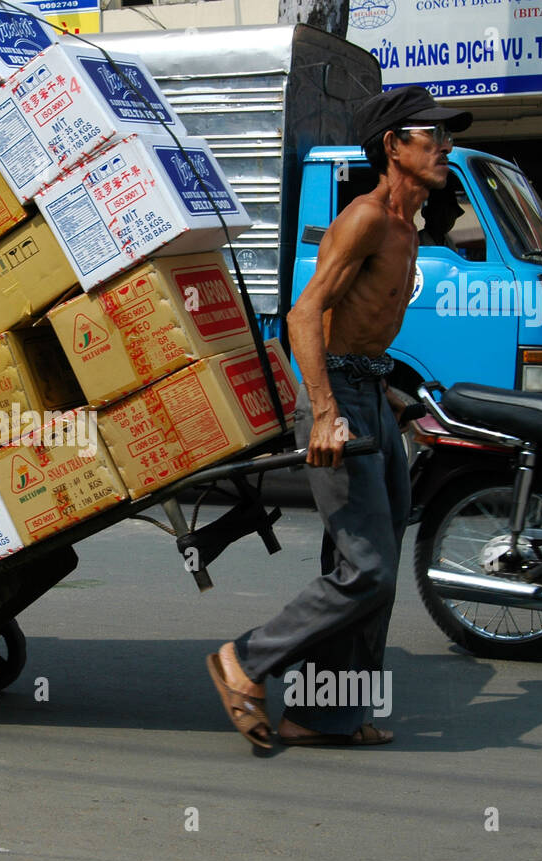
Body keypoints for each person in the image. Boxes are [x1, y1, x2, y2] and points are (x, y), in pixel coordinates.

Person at [206, 86, 471, 749]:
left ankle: (323, 715)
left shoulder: (409, 228)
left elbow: (365, 330)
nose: (443, 147)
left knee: (373, 571)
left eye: (444, 137)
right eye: (430, 137)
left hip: (371, 397)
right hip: (338, 404)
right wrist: (324, 413)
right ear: (393, 147)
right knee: (367, 568)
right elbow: (303, 315)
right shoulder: (366, 218)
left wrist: (392, 399)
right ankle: (244, 658)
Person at [418, 178, 462, 252]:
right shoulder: (417, 242)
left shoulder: (448, 241)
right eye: (442, 214)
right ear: (430, 215)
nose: (446, 219)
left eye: (450, 215)